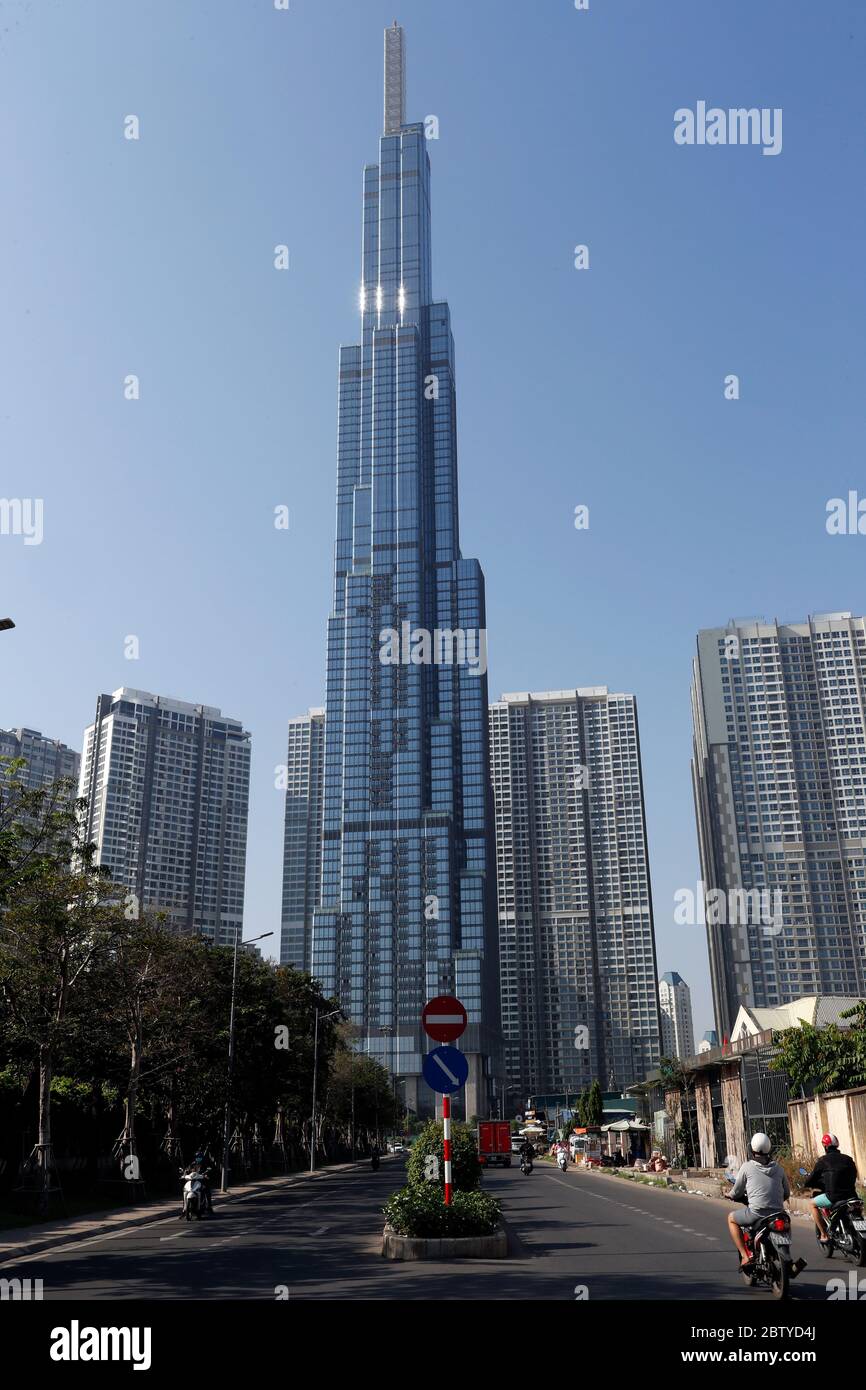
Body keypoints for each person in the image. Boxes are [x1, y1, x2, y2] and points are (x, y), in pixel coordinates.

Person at [725, 1132, 790, 1268]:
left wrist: (730, 1195)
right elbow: (786, 1193)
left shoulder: (747, 1167)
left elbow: (736, 1192)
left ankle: (745, 1255)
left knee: (731, 1218)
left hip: (757, 1213)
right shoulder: (779, 1168)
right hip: (778, 1213)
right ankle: (787, 1255)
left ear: (751, 1149)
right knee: (785, 1223)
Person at [801, 1133, 859, 1244]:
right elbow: (854, 1174)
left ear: (825, 1146)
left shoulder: (823, 1161)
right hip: (852, 1195)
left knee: (812, 1204)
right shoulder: (848, 1159)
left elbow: (811, 1179)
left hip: (833, 1197)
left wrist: (807, 1183)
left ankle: (824, 1234)